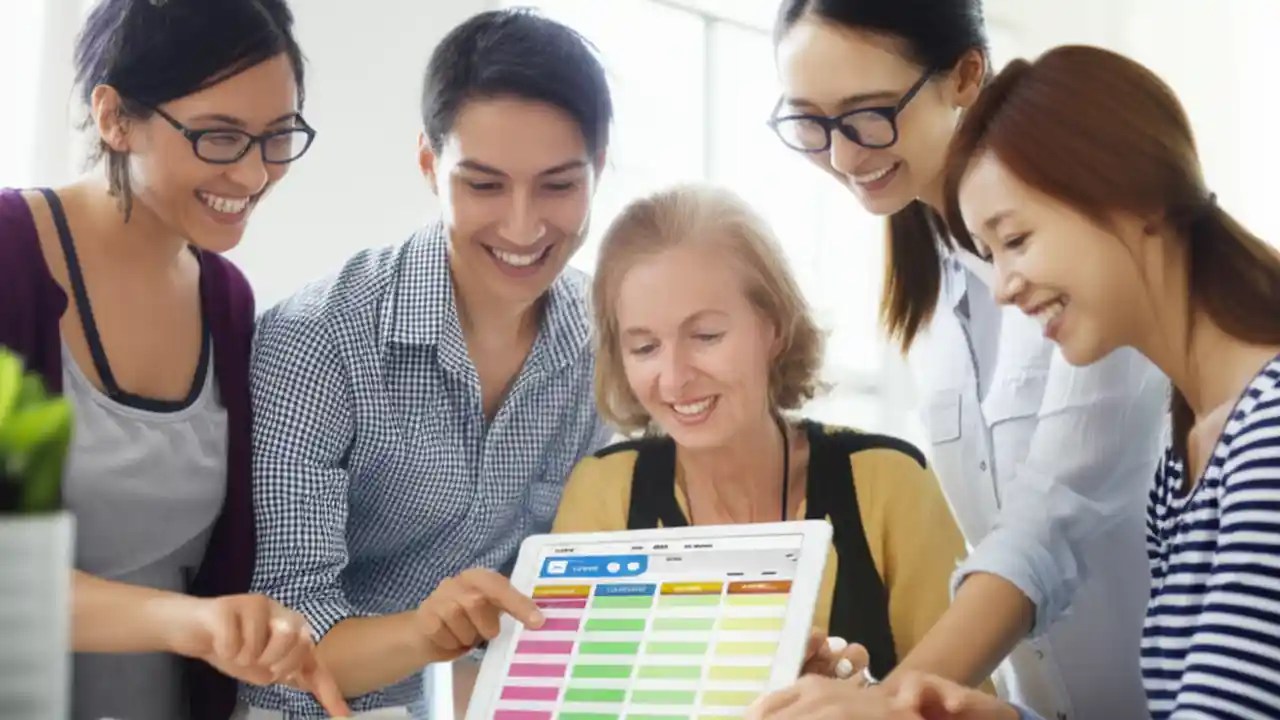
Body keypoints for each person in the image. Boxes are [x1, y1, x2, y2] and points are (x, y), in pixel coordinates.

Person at [756, 1, 1170, 718]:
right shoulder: (925, 286)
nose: (843, 154)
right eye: (811, 122)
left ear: (966, 76)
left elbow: (1049, 525)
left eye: (868, 113)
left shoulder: (1083, 252)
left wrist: (889, 704)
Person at [878, 43, 1280, 720]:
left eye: (1017, 240)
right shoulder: (1186, 462)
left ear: (1132, 198)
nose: (1003, 288)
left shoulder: (1267, 435)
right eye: (988, 253)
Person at [242, 8, 614, 718]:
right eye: (484, 185)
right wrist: (425, 633)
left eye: (559, 186)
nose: (522, 225)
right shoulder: (314, 342)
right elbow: (279, 649)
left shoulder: (607, 341)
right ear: (428, 165)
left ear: (598, 169)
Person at [0, 1, 346, 719]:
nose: (254, 174)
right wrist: (185, 623)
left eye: (277, 137)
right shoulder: (10, 259)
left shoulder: (227, 301)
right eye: (219, 137)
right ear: (115, 117)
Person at [552, 183, 973, 688]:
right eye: (644, 347)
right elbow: (570, 698)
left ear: (773, 327)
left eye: (706, 336)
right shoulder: (605, 493)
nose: (674, 377)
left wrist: (864, 703)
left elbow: (966, 703)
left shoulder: (889, 483)